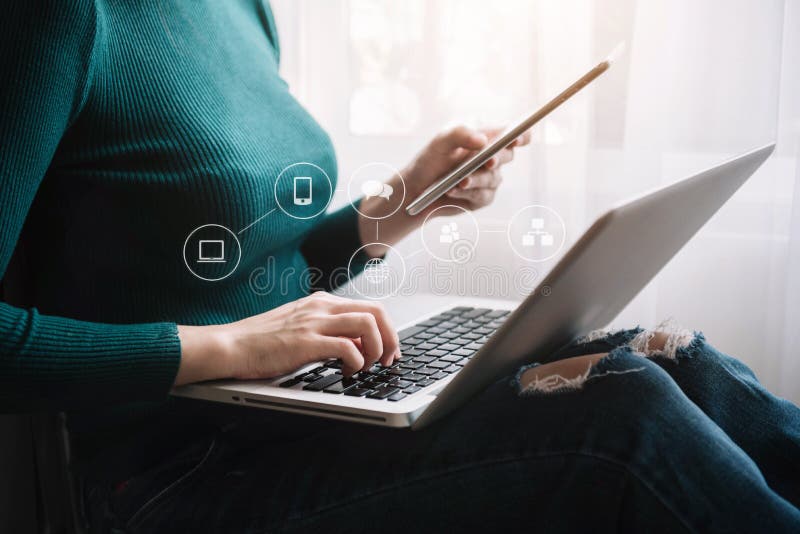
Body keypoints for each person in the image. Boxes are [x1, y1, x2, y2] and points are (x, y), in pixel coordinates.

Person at [1, 2, 798, 532]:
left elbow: (258, 267)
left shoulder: (241, 9)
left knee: (674, 359)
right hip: (177, 469)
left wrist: (409, 198)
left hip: (296, 408)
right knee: (630, 421)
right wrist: (228, 349)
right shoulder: (53, 19)